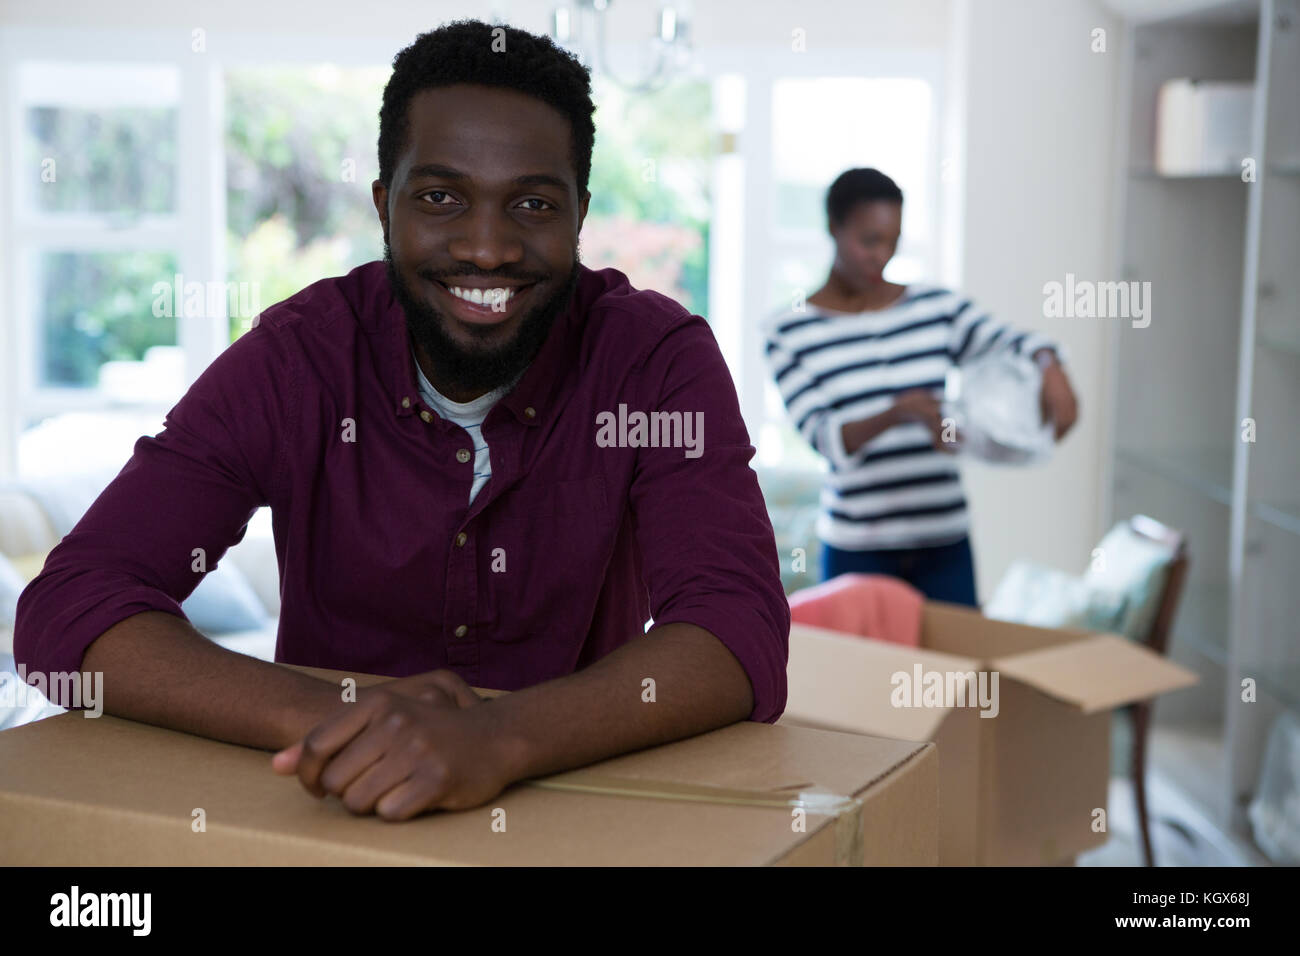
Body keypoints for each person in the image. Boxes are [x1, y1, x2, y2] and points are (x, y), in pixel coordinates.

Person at [14, 20, 789, 821]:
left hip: (566, 814)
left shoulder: (655, 360)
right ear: (385, 205)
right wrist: (351, 727)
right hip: (327, 813)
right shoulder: (298, 360)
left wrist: (495, 739)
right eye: (440, 197)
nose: (487, 249)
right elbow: (71, 607)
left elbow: (738, 633)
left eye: (531, 203)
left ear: (579, 216)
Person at [764, 168, 1078, 607]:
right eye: (868, 240)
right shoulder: (788, 332)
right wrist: (900, 412)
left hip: (944, 544)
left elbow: (1013, 343)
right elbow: (825, 438)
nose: (882, 255)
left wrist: (1051, 367)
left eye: (892, 241)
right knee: (860, 676)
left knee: (954, 675)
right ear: (834, 229)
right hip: (858, 549)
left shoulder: (935, 308)